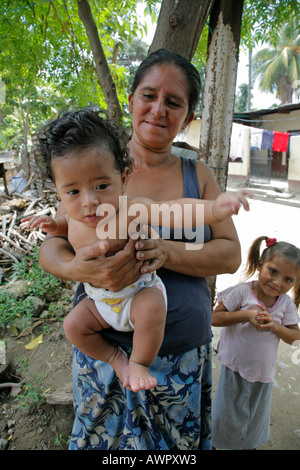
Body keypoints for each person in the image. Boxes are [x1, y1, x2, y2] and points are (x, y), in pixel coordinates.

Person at [38, 48, 243, 450]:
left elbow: (231, 254)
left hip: (181, 349)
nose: (158, 110)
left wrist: (165, 252)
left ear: (188, 116)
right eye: (149, 95)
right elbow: (54, 244)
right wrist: (80, 269)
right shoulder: (93, 168)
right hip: (106, 344)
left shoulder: (195, 174)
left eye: (174, 102)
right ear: (131, 100)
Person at [23, 108, 251, 393]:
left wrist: (216, 209)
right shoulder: (72, 215)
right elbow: (61, 231)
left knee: (152, 307)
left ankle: (139, 363)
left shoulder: (131, 208)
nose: (90, 201)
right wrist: (51, 225)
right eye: (73, 192)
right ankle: (116, 359)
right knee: (72, 327)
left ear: (124, 177)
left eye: (102, 185)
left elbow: (173, 211)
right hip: (99, 302)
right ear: (58, 191)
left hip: (137, 295)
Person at [211, 236, 300, 450]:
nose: (278, 283)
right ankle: (215, 444)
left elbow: (295, 336)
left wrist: (275, 326)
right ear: (261, 265)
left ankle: (246, 444)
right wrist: (245, 315)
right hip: (234, 369)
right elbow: (214, 317)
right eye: (273, 271)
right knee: (225, 413)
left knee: (253, 417)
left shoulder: (285, 304)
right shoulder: (243, 292)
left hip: (263, 375)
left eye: (288, 280)